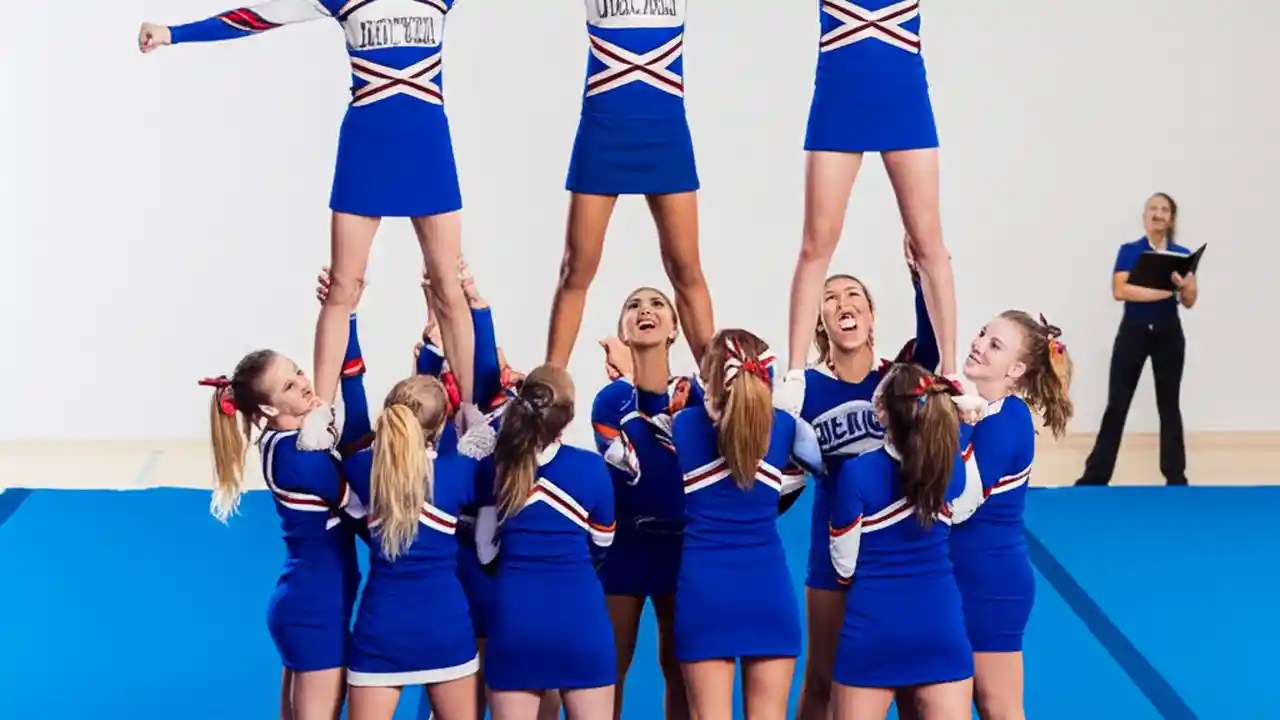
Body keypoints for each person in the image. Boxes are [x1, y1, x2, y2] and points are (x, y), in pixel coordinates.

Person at [138, 0, 479, 444]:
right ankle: (321, 413)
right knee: (342, 287)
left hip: (428, 146)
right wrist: (173, 32)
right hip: (367, 147)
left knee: (448, 287)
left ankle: (471, 415)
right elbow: (256, 17)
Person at [775, 2, 959, 417]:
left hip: (903, 93)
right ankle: (795, 373)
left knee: (929, 242)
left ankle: (951, 371)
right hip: (840, 93)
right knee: (816, 242)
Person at [793, 256, 938, 720]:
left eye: (853, 294)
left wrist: (923, 277)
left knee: (913, 684)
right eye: (830, 298)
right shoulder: (806, 389)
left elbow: (933, 348)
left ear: (872, 315)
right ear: (819, 321)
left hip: (900, 544)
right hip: (831, 542)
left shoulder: (897, 378)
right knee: (822, 677)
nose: (843, 303)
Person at [545, 0, 714, 369]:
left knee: (685, 267)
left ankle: (717, 387)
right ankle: (548, 395)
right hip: (602, 130)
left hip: (664, 132)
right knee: (576, 267)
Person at [200, 348, 365, 719]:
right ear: (271, 409)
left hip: (307, 602)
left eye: (300, 373)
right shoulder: (303, 459)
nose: (306, 385)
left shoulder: (283, 444)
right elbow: (363, 515)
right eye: (290, 386)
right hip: (315, 609)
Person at [669, 329, 817, 720]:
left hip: (706, 594)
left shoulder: (684, 425)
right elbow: (826, 470)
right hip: (766, 592)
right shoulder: (784, 427)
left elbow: (704, 405)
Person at [943, 311, 1073, 719]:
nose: (979, 343)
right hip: (964, 572)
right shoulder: (987, 410)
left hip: (991, 583)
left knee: (998, 707)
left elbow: (960, 504)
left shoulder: (1008, 419)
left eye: (994, 344)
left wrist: (960, 425)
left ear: (1016, 369)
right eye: (982, 333)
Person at [827, 362, 974, 719]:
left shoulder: (857, 472)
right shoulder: (952, 465)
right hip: (939, 627)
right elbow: (967, 507)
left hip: (874, 630)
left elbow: (844, 564)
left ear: (882, 412)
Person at [477, 365, 618, 720]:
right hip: (581, 623)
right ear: (567, 418)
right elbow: (603, 541)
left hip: (516, 623)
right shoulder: (590, 468)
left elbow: (484, 551)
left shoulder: (493, 468)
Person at [339, 374, 483, 720]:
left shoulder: (361, 468)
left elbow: (358, 438)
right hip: (445, 629)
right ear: (439, 428)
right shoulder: (460, 472)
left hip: (381, 630)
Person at [591, 287, 695, 720]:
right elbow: (636, 467)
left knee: (682, 668)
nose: (645, 310)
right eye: (633, 305)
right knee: (607, 668)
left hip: (685, 547)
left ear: (674, 329)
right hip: (626, 548)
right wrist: (631, 380)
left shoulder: (697, 396)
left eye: (656, 305)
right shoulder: (610, 400)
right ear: (623, 331)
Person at [1077, 192, 1197, 486]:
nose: (1158, 214)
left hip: (1169, 333)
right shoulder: (1130, 251)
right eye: (1153, 209)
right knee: (1117, 403)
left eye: (1164, 209)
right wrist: (1167, 292)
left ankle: (1175, 475)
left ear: (1171, 218)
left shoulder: (1182, 255)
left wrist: (1185, 286)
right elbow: (1121, 290)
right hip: (1134, 332)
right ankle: (1096, 475)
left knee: (1169, 404)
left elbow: (1191, 299)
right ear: (1144, 216)